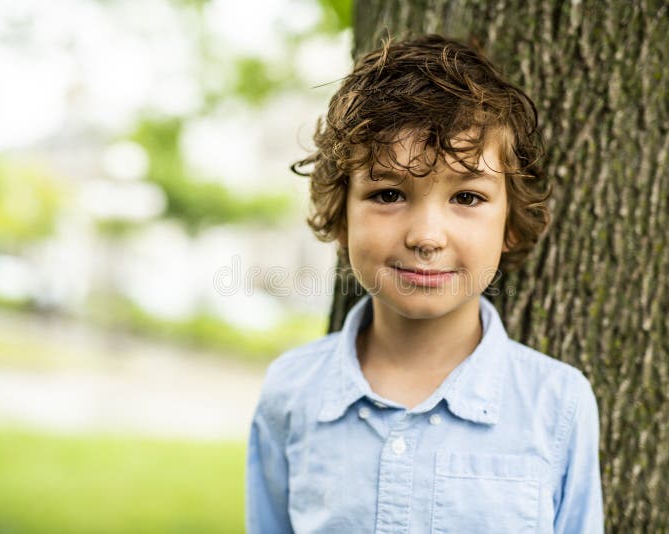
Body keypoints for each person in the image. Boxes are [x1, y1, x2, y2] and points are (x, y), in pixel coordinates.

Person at [245, 34, 604, 533]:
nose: (426, 237)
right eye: (389, 194)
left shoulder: (558, 404)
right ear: (342, 214)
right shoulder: (290, 393)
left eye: (467, 197)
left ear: (511, 220)